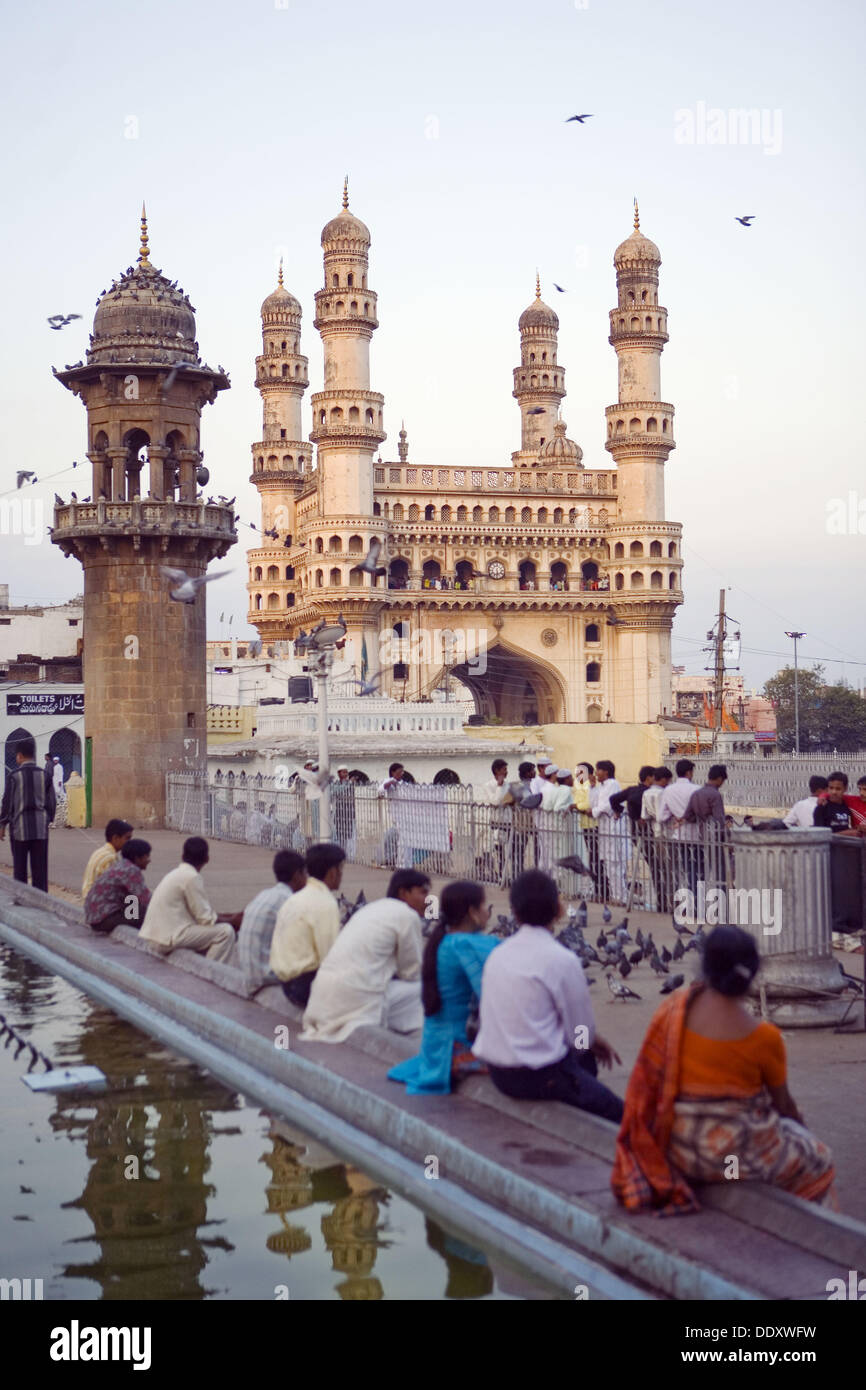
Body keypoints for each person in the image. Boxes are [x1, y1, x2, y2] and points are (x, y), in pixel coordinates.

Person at [611, 925, 836, 1214]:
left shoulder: (673, 1011)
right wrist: (802, 1129)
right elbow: (784, 1107)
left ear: (704, 966)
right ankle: (820, 1244)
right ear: (753, 974)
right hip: (732, 1159)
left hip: (680, 1151)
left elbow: (646, 1084)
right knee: (820, 1159)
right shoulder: (764, 1037)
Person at [472, 869, 624, 1121]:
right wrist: (590, 1042)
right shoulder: (562, 960)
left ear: (514, 912)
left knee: (583, 1056)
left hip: (499, 1072)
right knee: (617, 1109)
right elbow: (580, 1037)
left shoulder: (498, 954)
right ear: (559, 910)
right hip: (538, 1076)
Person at [389, 879, 499, 1094]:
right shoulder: (465, 945)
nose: (488, 912)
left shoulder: (444, 940)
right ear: (472, 912)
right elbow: (491, 995)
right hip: (454, 1051)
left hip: (434, 1047)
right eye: (484, 906)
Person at [301, 868, 428, 1042]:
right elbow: (411, 972)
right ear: (404, 893)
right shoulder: (407, 915)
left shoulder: (372, 908)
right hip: (356, 1000)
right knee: (426, 991)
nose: (427, 900)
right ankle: (414, 1047)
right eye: (422, 892)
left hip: (322, 996)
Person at [270, 842, 346, 1007]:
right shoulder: (325, 903)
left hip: (285, 982)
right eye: (340, 869)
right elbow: (329, 957)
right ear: (333, 872)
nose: (341, 875)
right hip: (303, 986)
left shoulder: (296, 897)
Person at [140, 836, 240, 962]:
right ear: (207, 859)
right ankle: (210, 971)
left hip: (156, 936)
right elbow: (206, 918)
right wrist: (232, 920)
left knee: (213, 930)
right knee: (226, 932)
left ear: (183, 855)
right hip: (167, 939)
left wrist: (230, 918)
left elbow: (200, 915)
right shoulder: (192, 877)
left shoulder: (175, 873)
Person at [237, 850, 307, 994]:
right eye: (304, 874)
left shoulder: (266, 894)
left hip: (249, 972)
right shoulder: (289, 901)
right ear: (297, 875)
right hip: (264, 974)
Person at [0, 734, 56, 891]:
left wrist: (2, 824)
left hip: (19, 830)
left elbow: (7, 803)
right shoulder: (45, 775)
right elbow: (51, 802)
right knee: (40, 870)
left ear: (19, 756)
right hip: (40, 830)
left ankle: (21, 900)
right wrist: (47, 819)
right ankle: (42, 900)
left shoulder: (13, 776)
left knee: (20, 869)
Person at [84, 838, 152, 935]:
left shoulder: (120, 865)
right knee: (146, 913)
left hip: (93, 916)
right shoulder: (132, 870)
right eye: (147, 856)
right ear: (137, 858)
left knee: (136, 905)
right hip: (103, 919)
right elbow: (146, 898)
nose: (149, 860)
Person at [659, 758, 701, 899]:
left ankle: (684, 899)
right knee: (697, 870)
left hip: (679, 835)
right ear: (689, 773)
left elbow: (661, 816)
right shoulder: (696, 789)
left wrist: (674, 816)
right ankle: (695, 901)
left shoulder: (669, 790)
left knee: (683, 869)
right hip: (696, 836)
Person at [592, 760, 628, 903]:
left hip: (613, 828)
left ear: (606, 772)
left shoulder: (613, 784)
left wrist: (594, 811)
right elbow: (595, 802)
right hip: (605, 829)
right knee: (608, 865)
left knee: (615, 865)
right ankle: (616, 895)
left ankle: (621, 897)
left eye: (598, 770)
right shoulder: (601, 786)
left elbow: (607, 805)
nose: (596, 773)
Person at [640, 768, 673, 912]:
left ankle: (662, 900)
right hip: (667, 834)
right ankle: (672, 901)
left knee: (661, 869)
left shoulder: (646, 793)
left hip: (655, 833)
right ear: (664, 779)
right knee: (671, 870)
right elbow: (661, 816)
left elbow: (644, 816)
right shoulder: (662, 793)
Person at [81, 819, 134, 898]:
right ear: (115, 838)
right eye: (127, 838)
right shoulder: (110, 858)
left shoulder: (100, 852)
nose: (130, 842)